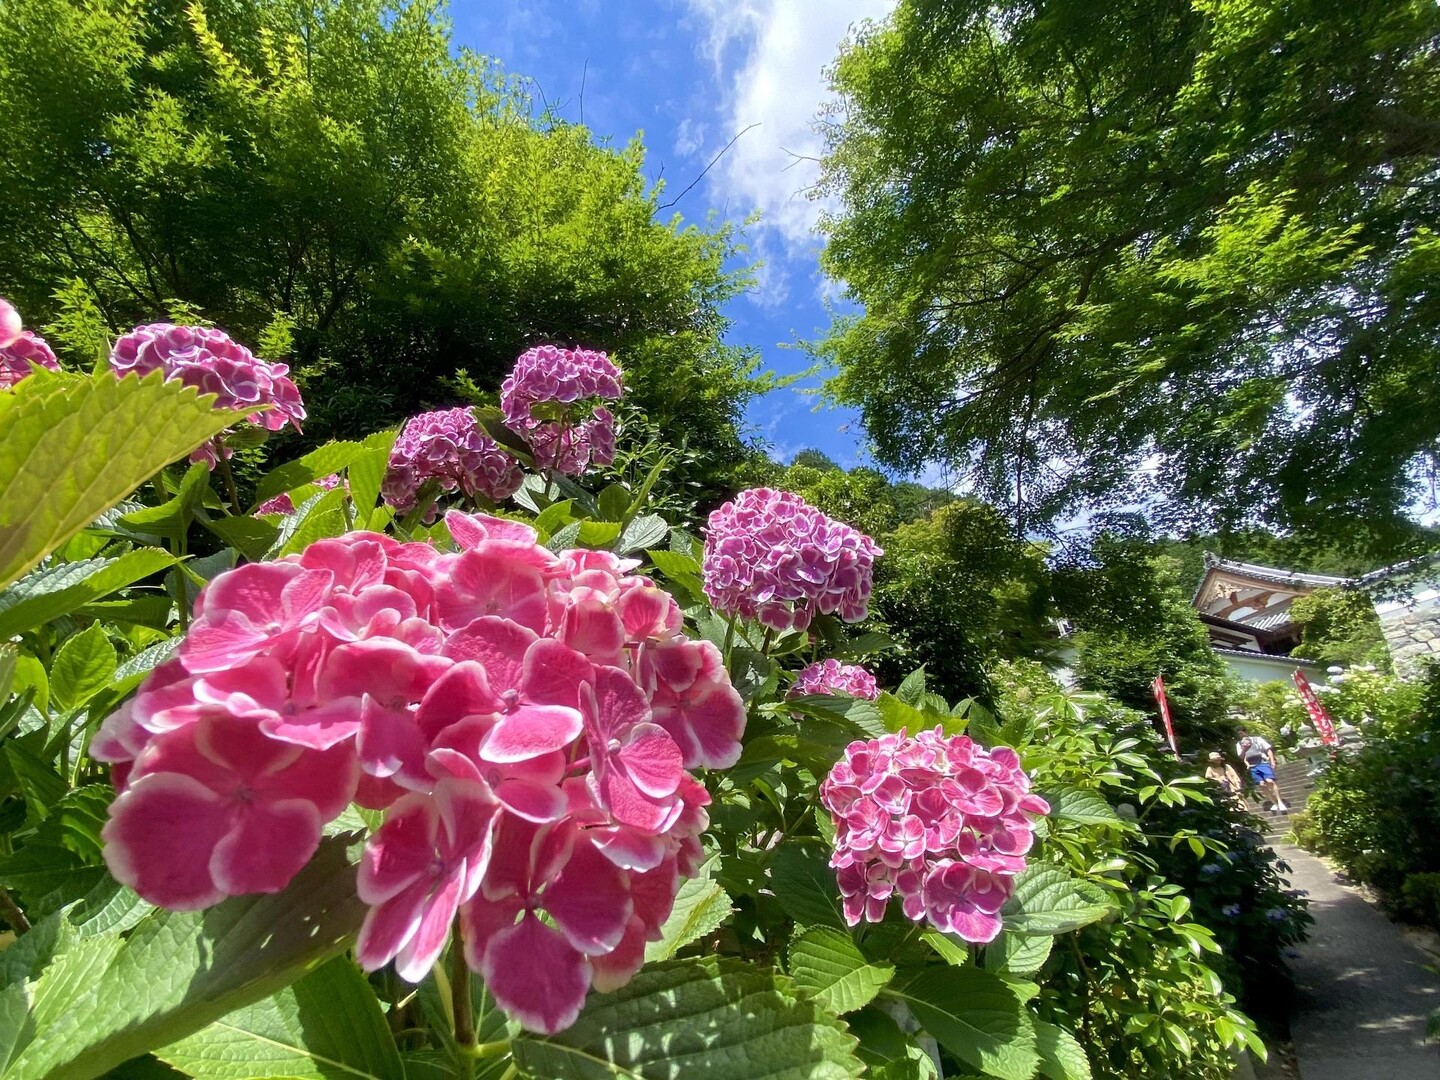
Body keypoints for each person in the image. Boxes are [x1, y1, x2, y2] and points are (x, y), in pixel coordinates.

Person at [1236, 728, 1288, 812]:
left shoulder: (1257, 739)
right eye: (1239, 734)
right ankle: (1274, 803)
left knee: (1270, 781)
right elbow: (1241, 757)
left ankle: (1280, 801)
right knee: (1262, 785)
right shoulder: (1239, 744)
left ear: (1246, 732)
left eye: (1241, 733)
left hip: (1262, 762)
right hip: (1252, 766)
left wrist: (1272, 761)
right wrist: (1244, 749)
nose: (1240, 735)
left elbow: (1268, 749)